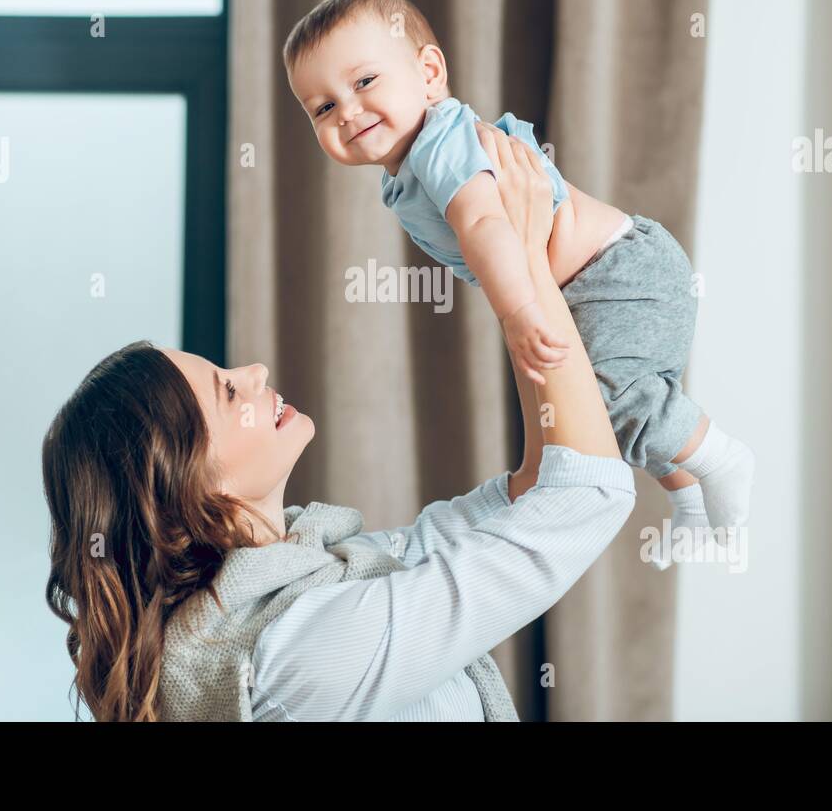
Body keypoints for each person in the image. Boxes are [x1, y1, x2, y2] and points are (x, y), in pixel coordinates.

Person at [42, 125, 635, 721]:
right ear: (190, 480)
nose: (254, 370)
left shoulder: (320, 572)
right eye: (225, 390)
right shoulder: (297, 649)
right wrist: (525, 266)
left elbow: (533, 491)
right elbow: (584, 495)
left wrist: (514, 279)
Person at [283, 0, 755, 556]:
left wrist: (521, 313)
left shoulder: (440, 144)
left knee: (610, 400)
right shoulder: (409, 167)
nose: (348, 110)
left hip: (615, 274)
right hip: (596, 280)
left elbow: (485, 224)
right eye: (324, 107)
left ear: (429, 71)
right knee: (613, 413)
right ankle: (691, 501)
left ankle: (723, 458)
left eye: (363, 82)